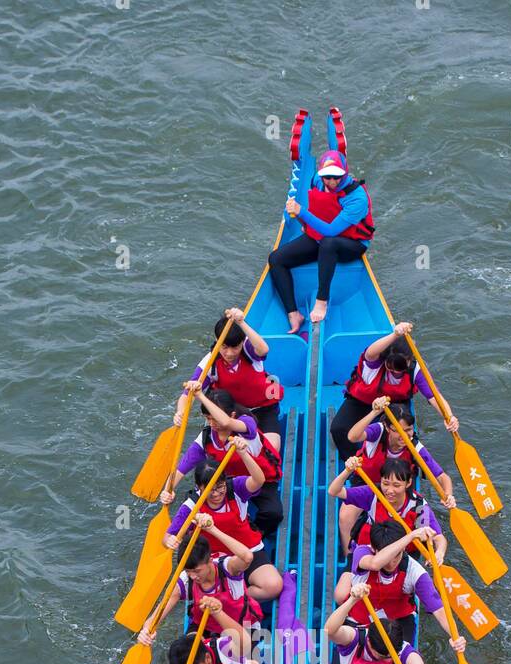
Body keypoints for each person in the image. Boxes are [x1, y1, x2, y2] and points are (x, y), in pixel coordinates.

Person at [269, 149, 375, 332]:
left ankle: (321, 300)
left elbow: (331, 231)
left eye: (337, 177)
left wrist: (301, 211)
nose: (332, 182)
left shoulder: (357, 198)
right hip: (321, 238)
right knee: (276, 259)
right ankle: (294, 314)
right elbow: (317, 210)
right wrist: (303, 221)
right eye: (327, 177)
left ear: (345, 173)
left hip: (350, 244)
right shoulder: (316, 181)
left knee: (329, 243)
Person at [162, 384, 283, 539]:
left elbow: (225, 423)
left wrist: (200, 395)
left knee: (273, 514)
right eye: (208, 419)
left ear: (232, 415)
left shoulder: (247, 424)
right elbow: (184, 465)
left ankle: (255, 531)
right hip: (228, 485)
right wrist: (168, 489)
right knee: (192, 514)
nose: (212, 424)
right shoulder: (207, 437)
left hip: (260, 479)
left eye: (215, 419)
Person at [330, 323, 459, 461]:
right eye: (391, 367)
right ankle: (352, 461)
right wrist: (395, 335)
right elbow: (370, 351)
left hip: (394, 406)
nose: (395, 371)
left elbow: (434, 396)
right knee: (338, 429)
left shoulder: (416, 370)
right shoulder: (374, 361)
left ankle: (395, 464)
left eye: (401, 368)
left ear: (410, 360)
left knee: (395, 437)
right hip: (362, 402)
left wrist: (449, 417)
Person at [164, 455, 282, 605]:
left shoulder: (236, 488)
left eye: (220, 487)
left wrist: (243, 452)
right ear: (198, 487)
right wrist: (171, 541)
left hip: (248, 549)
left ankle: (231, 599)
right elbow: (167, 537)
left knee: (273, 586)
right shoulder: (190, 507)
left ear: (224, 482)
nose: (215, 494)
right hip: (214, 562)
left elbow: (259, 480)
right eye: (209, 490)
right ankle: (226, 597)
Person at [335, 520, 466, 647]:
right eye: (387, 557)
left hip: (397, 623)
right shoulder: (362, 552)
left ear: (403, 549)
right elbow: (374, 564)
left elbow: (438, 608)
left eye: (397, 555)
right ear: (374, 549)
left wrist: (455, 636)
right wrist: (411, 536)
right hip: (360, 620)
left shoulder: (414, 571)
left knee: (401, 663)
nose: (391, 563)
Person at [138, 517, 261, 645]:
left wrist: (212, 529)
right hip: (206, 629)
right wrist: (146, 630)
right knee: (188, 647)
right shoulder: (185, 581)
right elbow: (156, 615)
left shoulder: (227, 568)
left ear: (209, 560)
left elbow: (247, 557)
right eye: (187, 571)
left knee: (234, 653)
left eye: (196, 571)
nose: (192, 576)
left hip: (242, 626)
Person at [174, 307, 283, 451]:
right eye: (224, 347)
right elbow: (187, 394)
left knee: (272, 448)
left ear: (241, 342)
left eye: (235, 348)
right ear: (217, 341)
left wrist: (241, 322)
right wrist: (180, 412)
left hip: (263, 408)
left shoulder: (249, 350)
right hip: (233, 414)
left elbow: (264, 349)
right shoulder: (209, 363)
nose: (230, 353)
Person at [329, 455, 449, 558]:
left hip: (402, 557)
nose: (390, 491)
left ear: (408, 483)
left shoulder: (419, 506)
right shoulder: (373, 494)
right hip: (371, 552)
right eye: (385, 483)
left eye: (396, 485)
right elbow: (334, 491)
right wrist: (348, 470)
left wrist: (440, 553)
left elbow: (438, 537)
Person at [345, 396, 455, 503]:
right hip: (368, 483)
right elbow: (352, 437)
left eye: (408, 430)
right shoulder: (378, 431)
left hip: (396, 492)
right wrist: (374, 412)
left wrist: (448, 495)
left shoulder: (415, 447)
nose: (404, 435)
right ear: (388, 428)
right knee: (345, 517)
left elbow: (442, 476)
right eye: (398, 431)